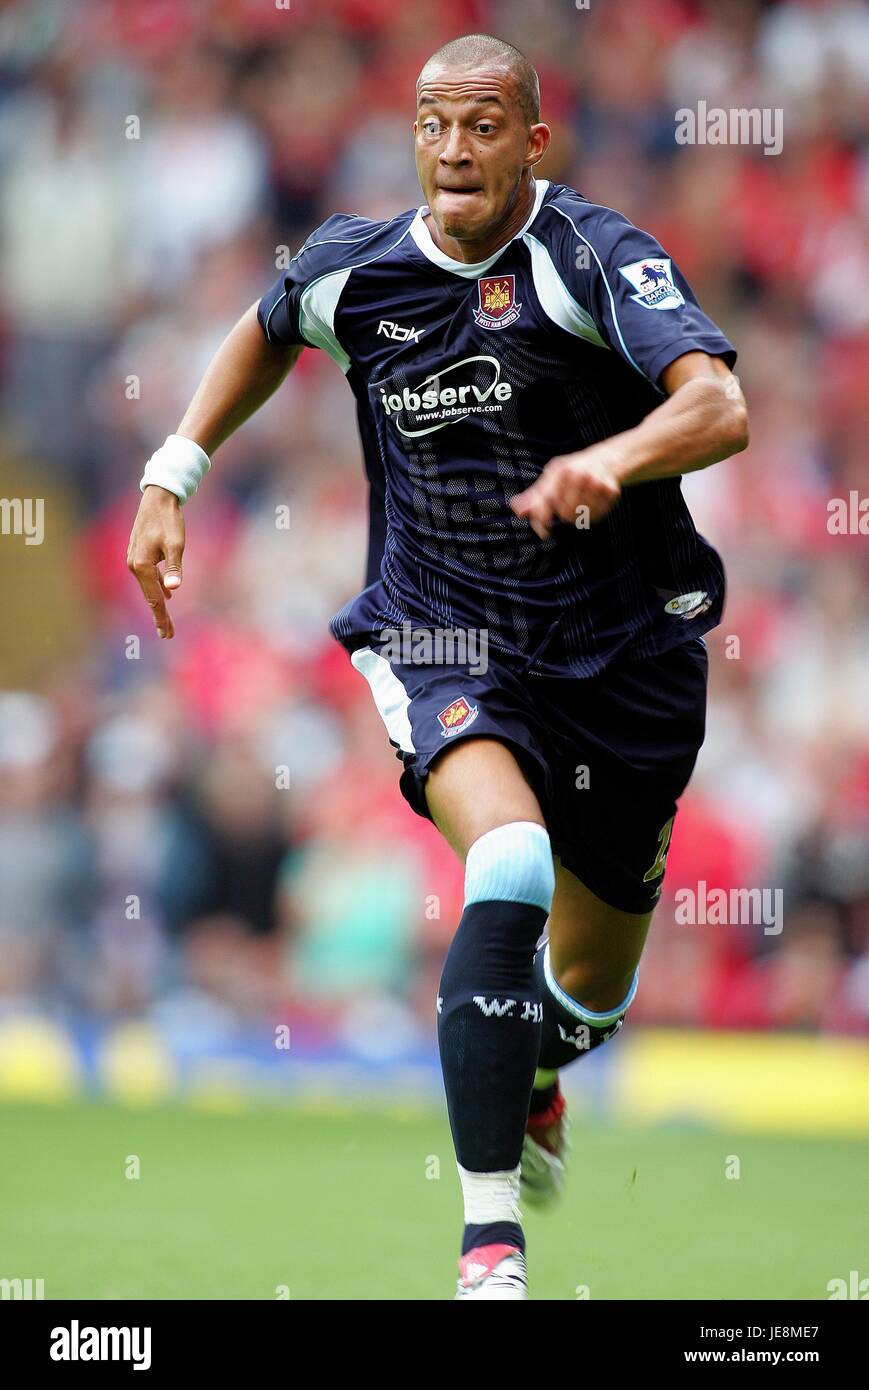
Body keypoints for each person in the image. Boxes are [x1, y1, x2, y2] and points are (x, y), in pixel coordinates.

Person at [127, 32, 748, 1300]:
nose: (453, 151)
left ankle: (533, 1068)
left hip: (623, 655)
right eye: (431, 124)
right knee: (506, 860)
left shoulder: (587, 256)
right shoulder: (355, 271)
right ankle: (487, 1245)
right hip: (442, 633)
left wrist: (613, 460)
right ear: (411, 135)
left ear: (532, 140)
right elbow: (262, 329)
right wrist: (171, 473)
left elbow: (718, 406)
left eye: (481, 126)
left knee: (587, 994)